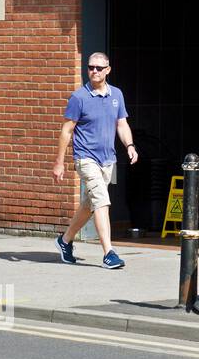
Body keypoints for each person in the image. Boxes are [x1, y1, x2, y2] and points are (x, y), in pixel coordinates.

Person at [52, 52, 137, 268]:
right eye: (91, 67)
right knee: (102, 201)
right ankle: (109, 253)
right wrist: (59, 163)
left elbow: (122, 124)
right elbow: (66, 131)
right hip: (85, 158)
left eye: (99, 68)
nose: (94, 71)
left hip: (108, 160)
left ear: (108, 70)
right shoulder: (79, 97)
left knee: (89, 205)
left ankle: (64, 241)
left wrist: (130, 146)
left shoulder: (116, 94)